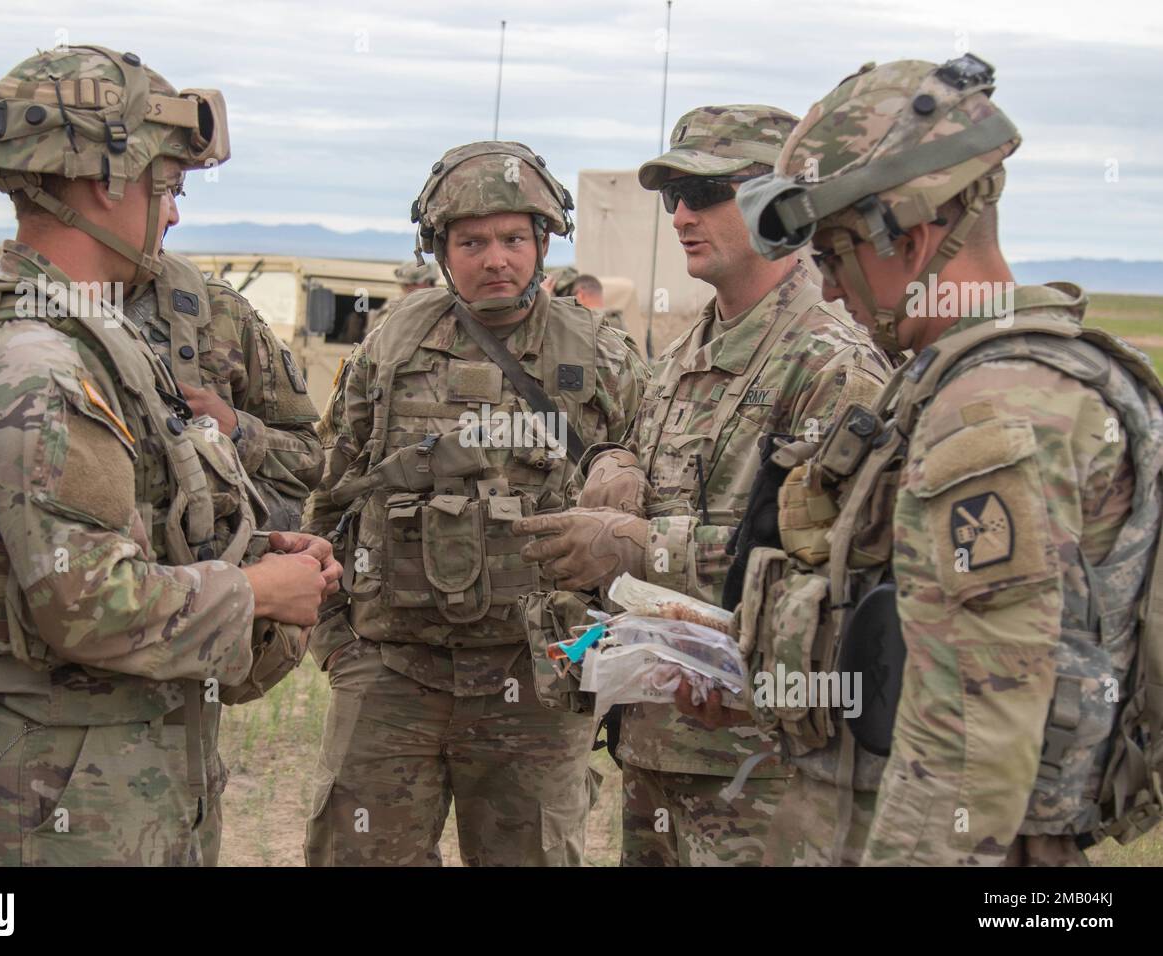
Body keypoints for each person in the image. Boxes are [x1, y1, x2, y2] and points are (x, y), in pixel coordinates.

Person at [0, 44, 340, 866]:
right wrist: (258, 591)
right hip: (65, 800)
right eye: (171, 186)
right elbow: (88, 601)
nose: (176, 215)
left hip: (96, 773)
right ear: (106, 183)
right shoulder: (38, 364)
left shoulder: (71, 337)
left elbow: (108, 537)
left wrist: (255, 550)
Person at [721, 53, 1163, 865]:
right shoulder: (980, 379)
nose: (824, 290)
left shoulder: (987, 410)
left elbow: (966, 738)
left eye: (833, 255)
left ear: (914, 238)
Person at [513, 106, 891, 866]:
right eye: (670, 196)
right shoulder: (688, 350)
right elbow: (681, 486)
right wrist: (616, 467)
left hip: (766, 769)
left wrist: (640, 549)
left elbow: (838, 576)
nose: (682, 214)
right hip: (659, 746)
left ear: (780, 203)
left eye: (705, 190)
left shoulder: (832, 366)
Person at [303, 141, 648, 866]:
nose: (496, 259)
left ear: (543, 243)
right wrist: (338, 644)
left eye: (514, 239)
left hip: (534, 680)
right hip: (392, 673)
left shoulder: (602, 355)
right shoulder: (390, 346)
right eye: (473, 242)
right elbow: (334, 492)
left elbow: (642, 514)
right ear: (440, 250)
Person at [125, 252, 325, 533]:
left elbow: (309, 459)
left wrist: (236, 430)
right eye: (157, 204)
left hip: (210, 562)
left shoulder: (219, 308)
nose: (172, 214)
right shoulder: (48, 309)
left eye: (174, 203)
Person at [360, 257, 441, 337]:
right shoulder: (394, 308)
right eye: (406, 285)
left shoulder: (439, 305)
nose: (408, 288)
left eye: (413, 284)